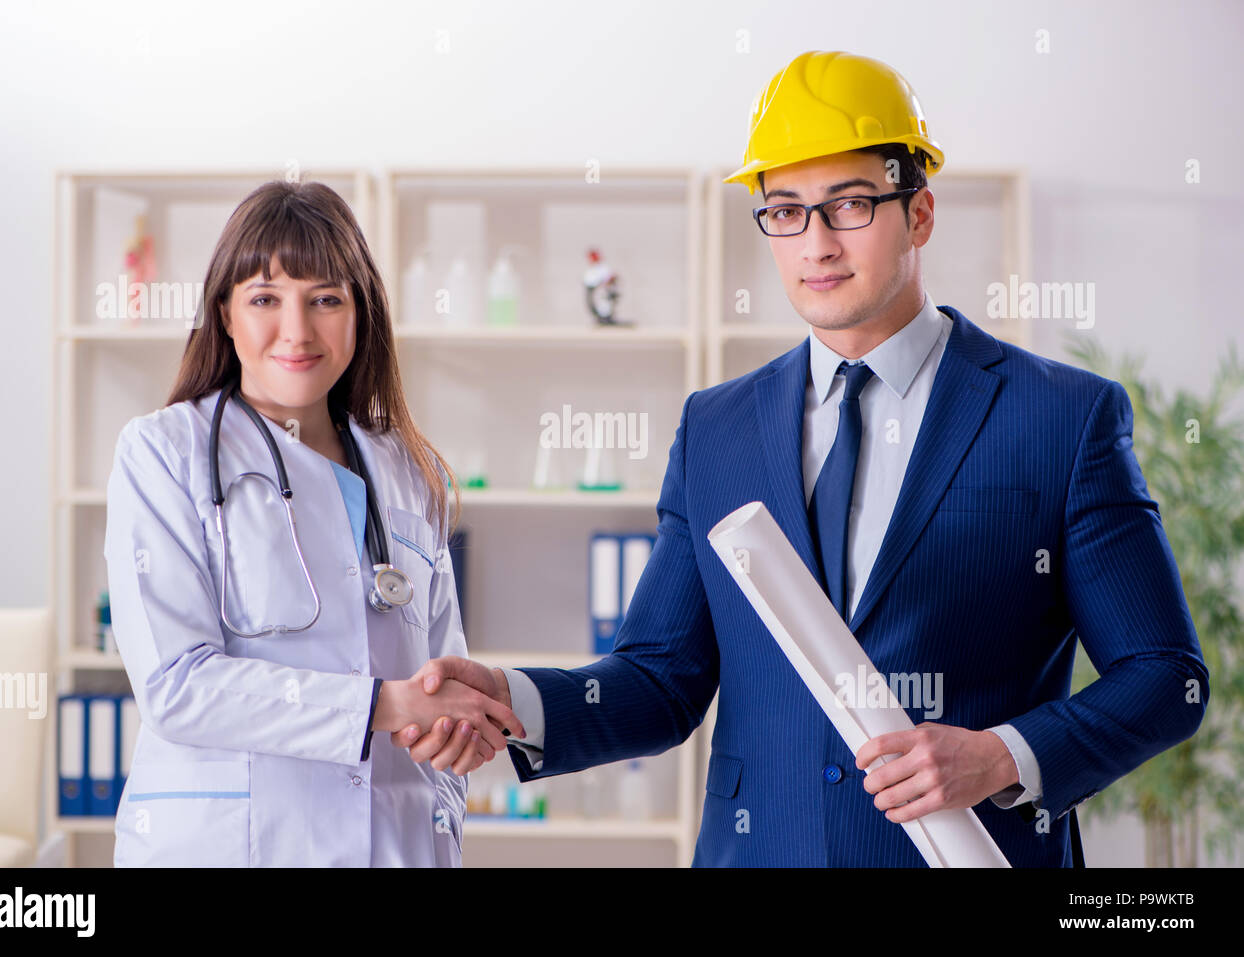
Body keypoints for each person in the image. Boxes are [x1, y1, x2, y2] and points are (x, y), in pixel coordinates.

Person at [395, 51, 1209, 866]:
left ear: (919, 213)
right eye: (784, 211)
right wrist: (518, 702)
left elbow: (1164, 676)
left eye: (849, 205)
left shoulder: (1062, 417)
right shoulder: (717, 428)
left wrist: (1000, 755)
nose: (815, 243)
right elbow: (661, 676)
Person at [103, 180, 523, 867]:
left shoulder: (408, 472)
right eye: (265, 299)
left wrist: (452, 746)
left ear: (361, 314)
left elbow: (441, 675)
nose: (297, 330)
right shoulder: (163, 452)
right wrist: (383, 707)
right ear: (225, 316)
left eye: (326, 299)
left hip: (395, 845)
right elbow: (177, 685)